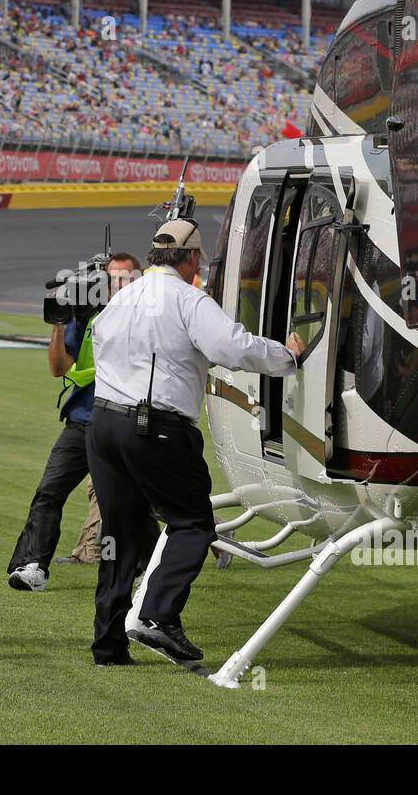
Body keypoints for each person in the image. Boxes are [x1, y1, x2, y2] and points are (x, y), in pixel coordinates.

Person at [86, 219, 305, 666]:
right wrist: (288, 356)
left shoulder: (121, 297)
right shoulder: (188, 299)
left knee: (120, 534)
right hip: (156, 425)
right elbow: (233, 347)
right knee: (193, 524)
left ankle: (108, 645)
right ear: (191, 259)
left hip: (103, 423)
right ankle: (158, 617)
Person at [7, 253, 158, 591]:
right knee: (49, 491)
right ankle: (34, 566)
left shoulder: (147, 318)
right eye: (113, 279)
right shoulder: (85, 316)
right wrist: (58, 325)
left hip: (123, 422)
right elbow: (59, 368)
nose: (119, 285)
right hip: (81, 422)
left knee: (129, 501)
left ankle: (154, 562)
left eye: (126, 278)